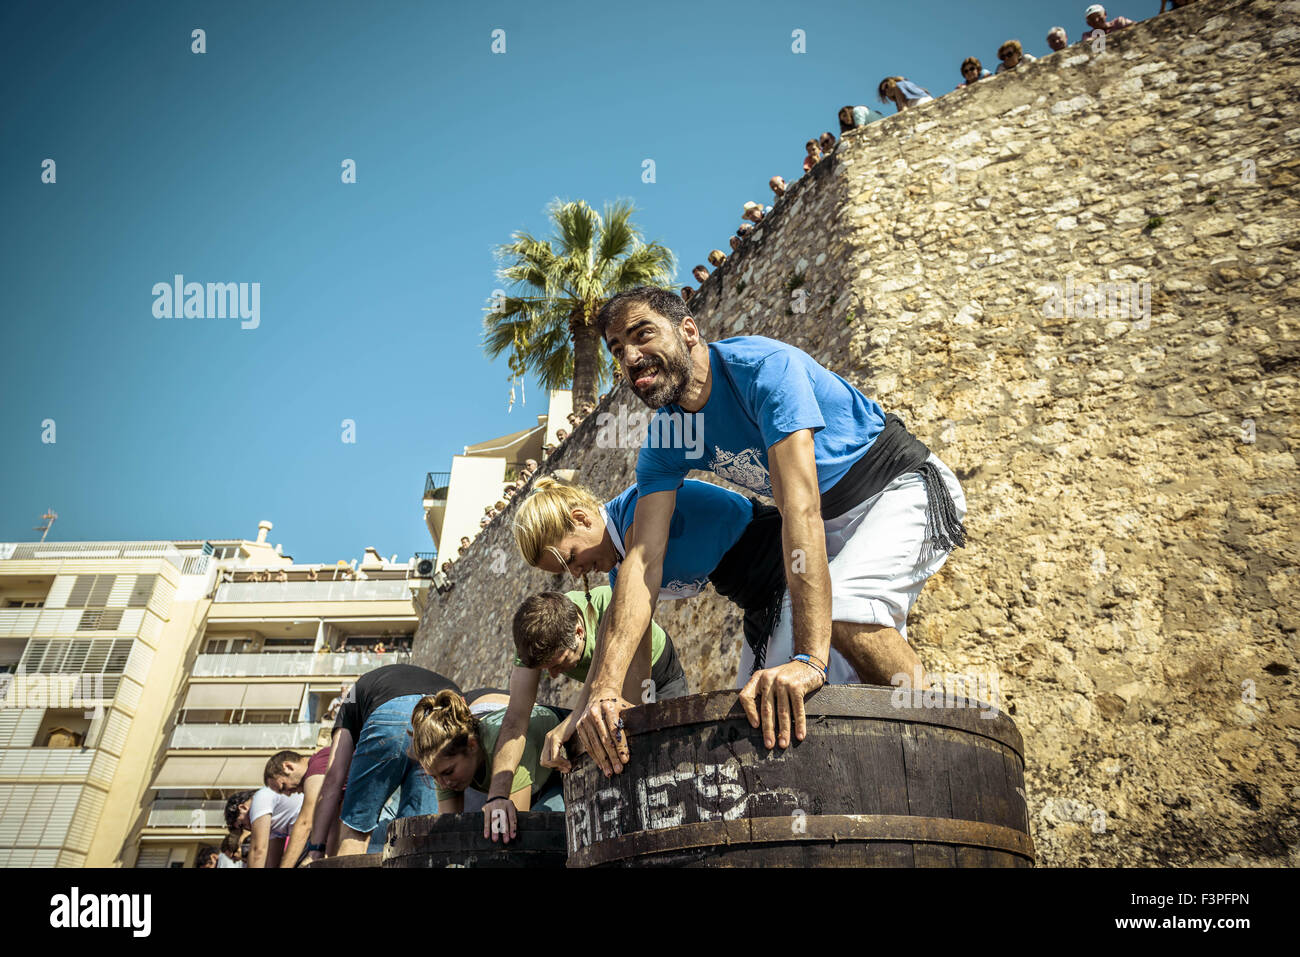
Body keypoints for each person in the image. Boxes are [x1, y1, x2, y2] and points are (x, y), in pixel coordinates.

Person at [578, 286, 967, 774]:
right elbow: (642, 562)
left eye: (642, 335)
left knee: (841, 612)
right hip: (825, 525)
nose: (630, 357)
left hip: (897, 487)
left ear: (689, 330)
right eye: (617, 350)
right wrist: (605, 691)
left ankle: (943, 748)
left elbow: (800, 509)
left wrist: (810, 658)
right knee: (760, 695)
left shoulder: (761, 370)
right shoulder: (666, 437)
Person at [504, 475, 786, 799]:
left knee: (772, 709)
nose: (577, 573)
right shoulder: (617, 572)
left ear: (581, 519)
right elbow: (625, 656)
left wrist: (608, 700)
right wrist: (620, 733)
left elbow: (617, 655)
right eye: (566, 572)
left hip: (781, 561)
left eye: (570, 558)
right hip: (758, 605)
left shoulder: (637, 513)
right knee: (749, 716)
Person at [303, 664, 461, 864]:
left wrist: (316, 848)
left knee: (356, 831)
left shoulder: (351, 697)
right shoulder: (425, 677)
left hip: (390, 716)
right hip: (441, 718)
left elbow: (334, 777)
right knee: (414, 838)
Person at [409, 690, 567, 829]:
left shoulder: (503, 748)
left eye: (448, 772)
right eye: (434, 777)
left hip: (568, 762)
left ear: (472, 745)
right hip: (540, 780)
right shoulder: (443, 767)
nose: (444, 784)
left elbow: (518, 827)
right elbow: (450, 829)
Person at [266, 747, 338, 867]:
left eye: (283, 786)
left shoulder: (316, 766)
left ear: (288, 767)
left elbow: (305, 823)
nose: (288, 793)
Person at [225, 786, 305, 868]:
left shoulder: (259, 799)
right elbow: (273, 861)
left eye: (242, 825)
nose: (248, 829)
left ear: (243, 808)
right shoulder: (272, 823)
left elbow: (258, 851)